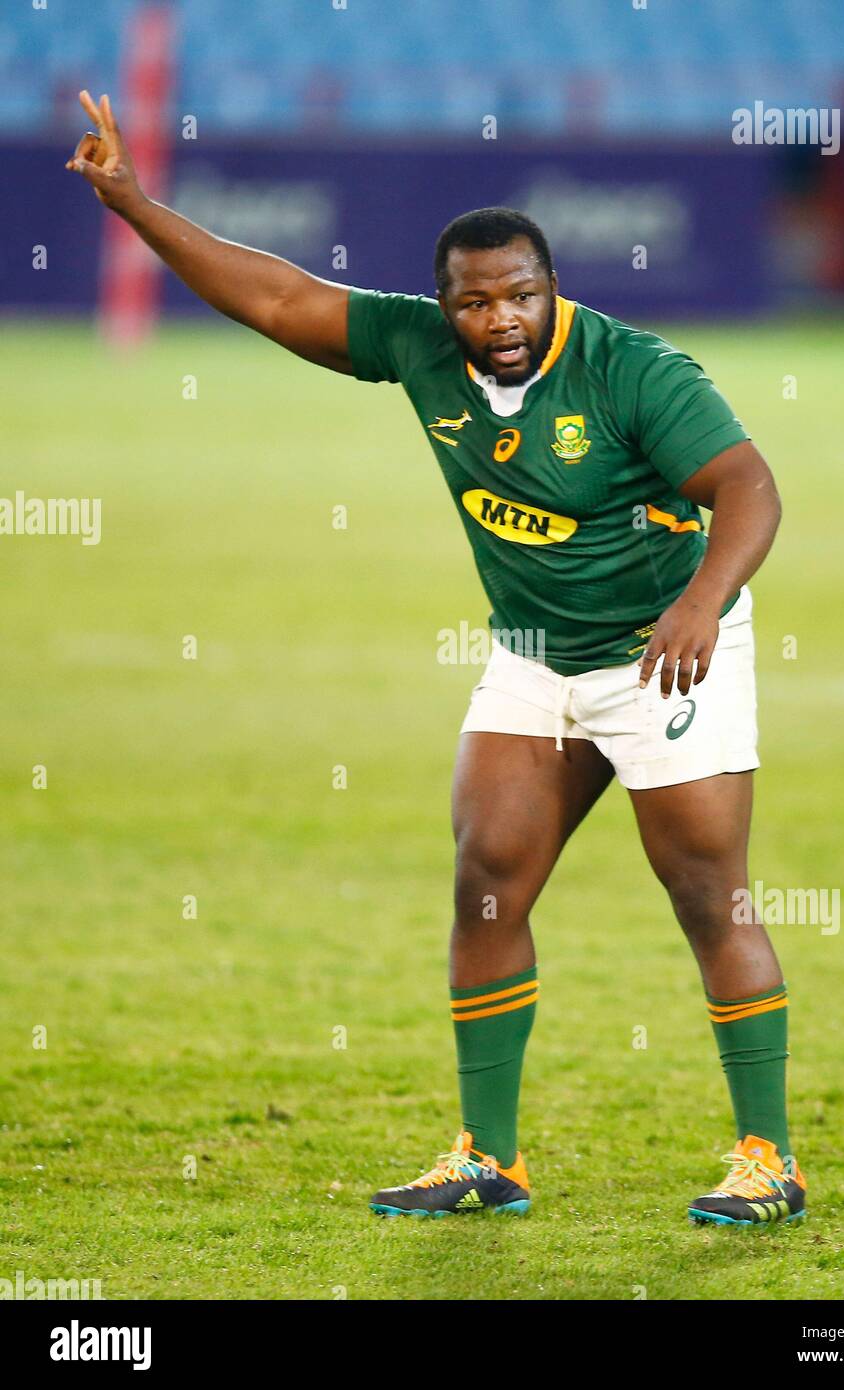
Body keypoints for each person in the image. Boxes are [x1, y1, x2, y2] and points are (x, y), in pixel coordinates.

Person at [69, 90, 805, 1227]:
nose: (500, 316)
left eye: (521, 293)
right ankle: (488, 1160)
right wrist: (130, 202)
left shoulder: (633, 371)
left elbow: (747, 486)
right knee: (485, 878)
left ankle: (769, 1158)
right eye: (474, 300)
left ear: (552, 286)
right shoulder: (419, 349)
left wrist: (707, 599)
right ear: (445, 304)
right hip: (533, 656)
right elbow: (274, 295)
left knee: (707, 891)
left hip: (665, 650)